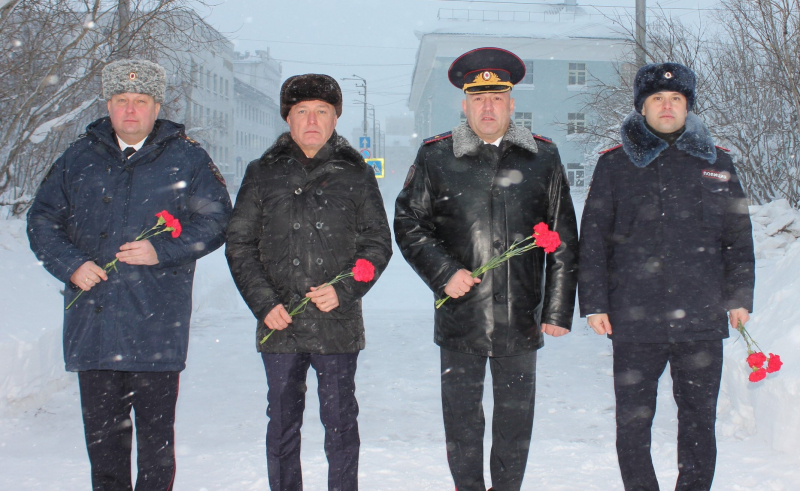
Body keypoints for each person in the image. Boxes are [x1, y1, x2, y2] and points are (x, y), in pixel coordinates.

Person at [27, 58, 232, 490]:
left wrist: (162, 250)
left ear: (157, 106)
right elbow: (42, 219)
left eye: (140, 101)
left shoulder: (187, 158)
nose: (131, 110)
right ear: (108, 104)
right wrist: (72, 265)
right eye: (122, 100)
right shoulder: (78, 157)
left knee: (157, 451)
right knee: (104, 451)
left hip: (156, 324)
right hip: (94, 325)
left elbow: (216, 222)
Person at [394, 47, 579, 491]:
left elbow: (563, 236)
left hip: (521, 314)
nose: (488, 106)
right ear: (465, 104)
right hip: (462, 314)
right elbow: (408, 223)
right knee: (462, 422)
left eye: (497, 97)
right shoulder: (437, 157)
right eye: (479, 99)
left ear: (512, 103)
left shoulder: (542, 158)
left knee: (515, 422)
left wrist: (555, 311)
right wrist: (444, 272)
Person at [578, 62, 755, 491]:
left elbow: (738, 238)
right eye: (657, 98)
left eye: (676, 98)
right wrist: (595, 303)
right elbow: (594, 240)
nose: (667, 106)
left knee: (699, 421)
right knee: (633, 422)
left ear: (688, 106)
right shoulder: (616, 165)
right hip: (634, 319)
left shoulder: (718, 162)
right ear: (642, 107)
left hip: (701, 318)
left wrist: (739, 296)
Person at [225, 73, 392, 491]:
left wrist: (345, 289)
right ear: (288, 119)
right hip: (279, 321)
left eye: (322, 111)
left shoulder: (357, 174)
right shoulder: (262, 173)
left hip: (337, 324)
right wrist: (264, 304)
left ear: (336, 117)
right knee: (281, 423)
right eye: (302, 111)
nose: (312, 120)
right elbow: (239, 244)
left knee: (340, 424)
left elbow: (377, 246)